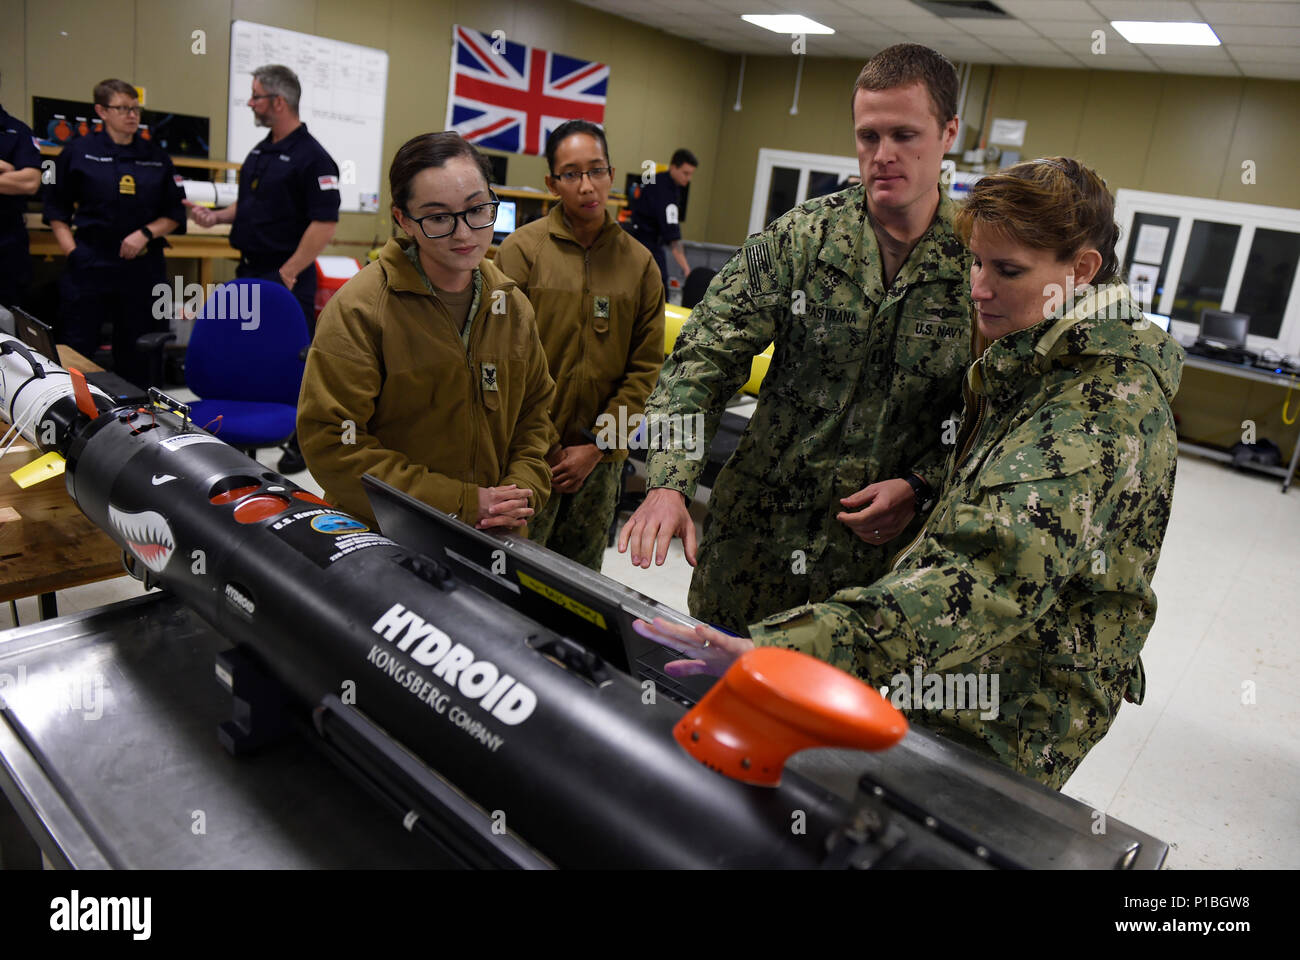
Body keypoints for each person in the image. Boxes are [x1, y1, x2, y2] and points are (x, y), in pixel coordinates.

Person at [639, 157, 1184, 791]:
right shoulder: (1040, 354)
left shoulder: (1093, 413)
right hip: (923, 651)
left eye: (1006, 270)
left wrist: (792, 652)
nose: (977, 286)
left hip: (1003, 707)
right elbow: (705, 353)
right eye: (977, 263)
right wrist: (668, 478)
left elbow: (983, 578)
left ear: (1082, 271)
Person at [619, 44, 971, 636]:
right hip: (755, 550)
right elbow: (703, 356)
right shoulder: (802, 239)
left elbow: (991, 415)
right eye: (867, 136)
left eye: (904, 135)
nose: (882, 156)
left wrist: (920, 484)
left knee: (831, 727)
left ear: (949, 133)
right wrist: (669, 482)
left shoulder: (980, 264)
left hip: (877, 580)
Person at [296, 132, 555, 532]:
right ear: (403, 219)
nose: (464, 233)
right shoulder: (361, 310)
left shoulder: (511, 306)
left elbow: (535, 414)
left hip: (497, 532)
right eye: (438, 218)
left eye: (477, 210)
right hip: (388, 532)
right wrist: (464, 503)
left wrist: (521, 491)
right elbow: (332, 443)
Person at [495, 120, 665, 571]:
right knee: (512, 576)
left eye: (596, 171)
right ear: (552, 183)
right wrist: (546, 445)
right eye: (571, 174)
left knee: (577, 584)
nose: (586, 186)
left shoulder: (640, 265)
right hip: (527, 457)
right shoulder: (521, 252)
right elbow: (499, 359)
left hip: (601, 463)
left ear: (612, 174)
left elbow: (645, 372)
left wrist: (597, 446)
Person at [185, 64, 339, 473]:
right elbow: (250, 205)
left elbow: (324, 222)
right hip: (250, 274)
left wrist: (288, 273)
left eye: (255, 96)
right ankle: (241, 428)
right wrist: (216, 217)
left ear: (279, 101)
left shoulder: (314, 158)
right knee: (247, 357)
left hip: (285, 277)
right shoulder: (260, 152)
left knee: (294, 362)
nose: (250, 103)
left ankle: (303, 441)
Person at [43, 79, 184, 386]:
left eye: (135, 108)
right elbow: (55, 209)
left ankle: (142, 418)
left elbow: (174, 213)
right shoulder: (78, 152)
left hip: (141, 267)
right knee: (76, 344)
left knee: (141, 350)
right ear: (101, 111)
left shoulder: (156, 156)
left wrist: (145, 233)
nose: (132, 115)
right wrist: (73, 252)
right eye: (123, 108)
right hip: (91, 261)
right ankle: (75, 412)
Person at [0, 76, 43, 311]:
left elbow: (29, 182)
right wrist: (4, 167)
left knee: (8, 319)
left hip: (7, 242)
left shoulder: (17, 131)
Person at [626, 147, 697, 290]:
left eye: (691, 174)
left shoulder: (657, 179)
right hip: (646, 243)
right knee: (659, 288)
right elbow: (672, 236)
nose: (688, 179)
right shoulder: (665, 192)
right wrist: (686, 268)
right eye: (685, 173)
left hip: (637, 240)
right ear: (673, 167)